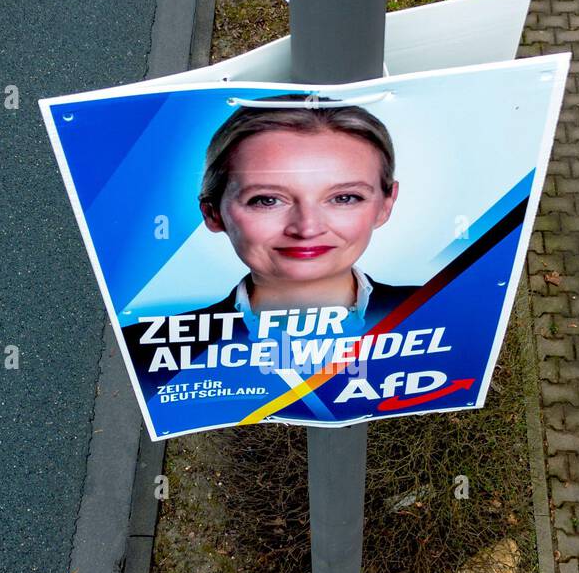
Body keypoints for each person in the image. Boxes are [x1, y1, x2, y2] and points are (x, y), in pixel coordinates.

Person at [122, 95, 416, 380]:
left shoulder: (445, 316)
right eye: (267, 200)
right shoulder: (145, 352)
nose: (307, 228)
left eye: (344, 197)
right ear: (213, 213)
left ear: (386, 205)